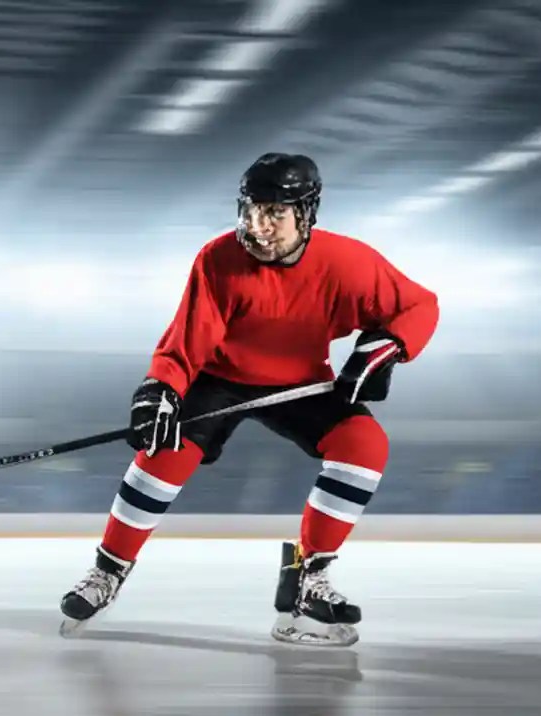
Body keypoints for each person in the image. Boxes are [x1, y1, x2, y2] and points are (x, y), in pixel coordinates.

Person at [58, 153, 439, 646]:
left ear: (307, 213)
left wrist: (389, 348)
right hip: (220, 378)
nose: (259, 227)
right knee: (162, 455)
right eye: (252, 209)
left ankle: (309, 578)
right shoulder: (218, 259)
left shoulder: (349, 263)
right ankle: (108, 571)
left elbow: (419, 306)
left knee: (365, 445)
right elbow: (185, 342)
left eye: (275, 213)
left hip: (302, 382)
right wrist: (161, 390)